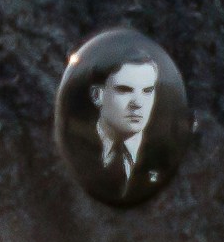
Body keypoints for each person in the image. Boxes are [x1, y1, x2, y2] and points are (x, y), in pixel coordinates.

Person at [66, 44, 182, 207]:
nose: (138, 103)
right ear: (97, 95)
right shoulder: (73, 151)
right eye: (124, 90)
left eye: (147, 91)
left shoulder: (167, 157)